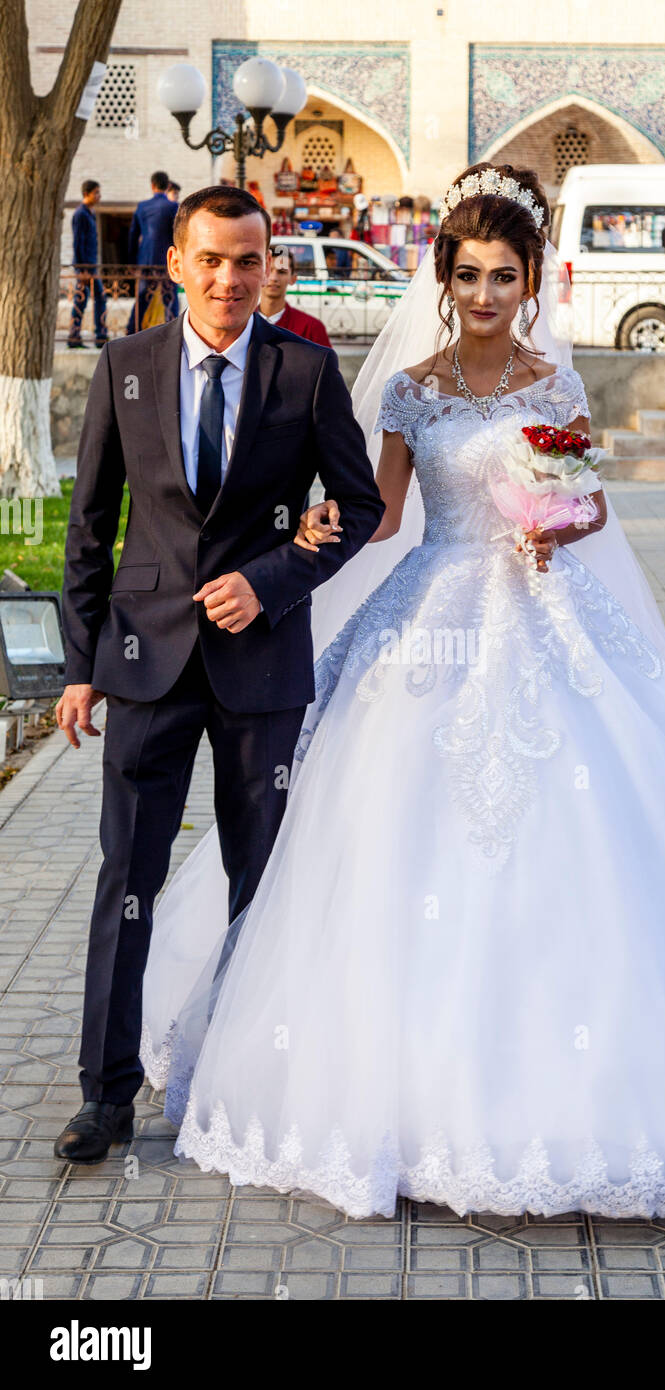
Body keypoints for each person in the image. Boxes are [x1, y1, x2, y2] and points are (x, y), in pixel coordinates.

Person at [136, 162, 665, 1221]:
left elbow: (589, 512)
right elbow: (380, 517)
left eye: (503, 277)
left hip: (540, 611)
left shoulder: (552, 385)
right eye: (468, 276)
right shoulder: (410, 390)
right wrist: (294, 542)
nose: (484, 295)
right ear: (443, 279)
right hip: (431, 612)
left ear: (530, 282)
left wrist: (550, 521)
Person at [52, 184, 384, 1165]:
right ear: (175, 265)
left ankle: (259, 1081)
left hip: (262, 671)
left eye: (248, 260)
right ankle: (104, 1096)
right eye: (210, 260)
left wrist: (275, 578)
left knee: (263, 881)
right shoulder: (126, 366)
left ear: (268, 262)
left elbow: (356, 507)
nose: (230, 279)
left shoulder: (307, 373)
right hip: (144, 666)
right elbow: (86, 529)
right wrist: (81, 667)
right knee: (129, 880)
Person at [126, 170, 180, 333]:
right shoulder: (173, 207)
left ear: (152, 186)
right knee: (170, 298)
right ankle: (175, 332)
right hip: (166, 262)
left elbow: (133, 236)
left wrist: (132, 261)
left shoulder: (142, 207)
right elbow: (178, 234)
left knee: (142, 298)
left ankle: (131, 331)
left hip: (146, 260)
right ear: (168, 185)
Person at [258, 245, 331, 346]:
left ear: (293, 279)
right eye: (269, 271)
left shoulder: (311, 328)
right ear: (258, 275)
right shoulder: (241, 324)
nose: (274, 278)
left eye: (282, 272)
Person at [67, 180, 108, 349]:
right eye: (96, 193)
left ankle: (97, 335)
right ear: (86, 194)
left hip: (91, 267)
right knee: (83, 300)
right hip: (85, 269)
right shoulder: (80, 214)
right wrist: (81, 270)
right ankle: (79, 336)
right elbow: (78, 243)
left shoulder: (89, 213)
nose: (99, 196)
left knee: (93, 299)